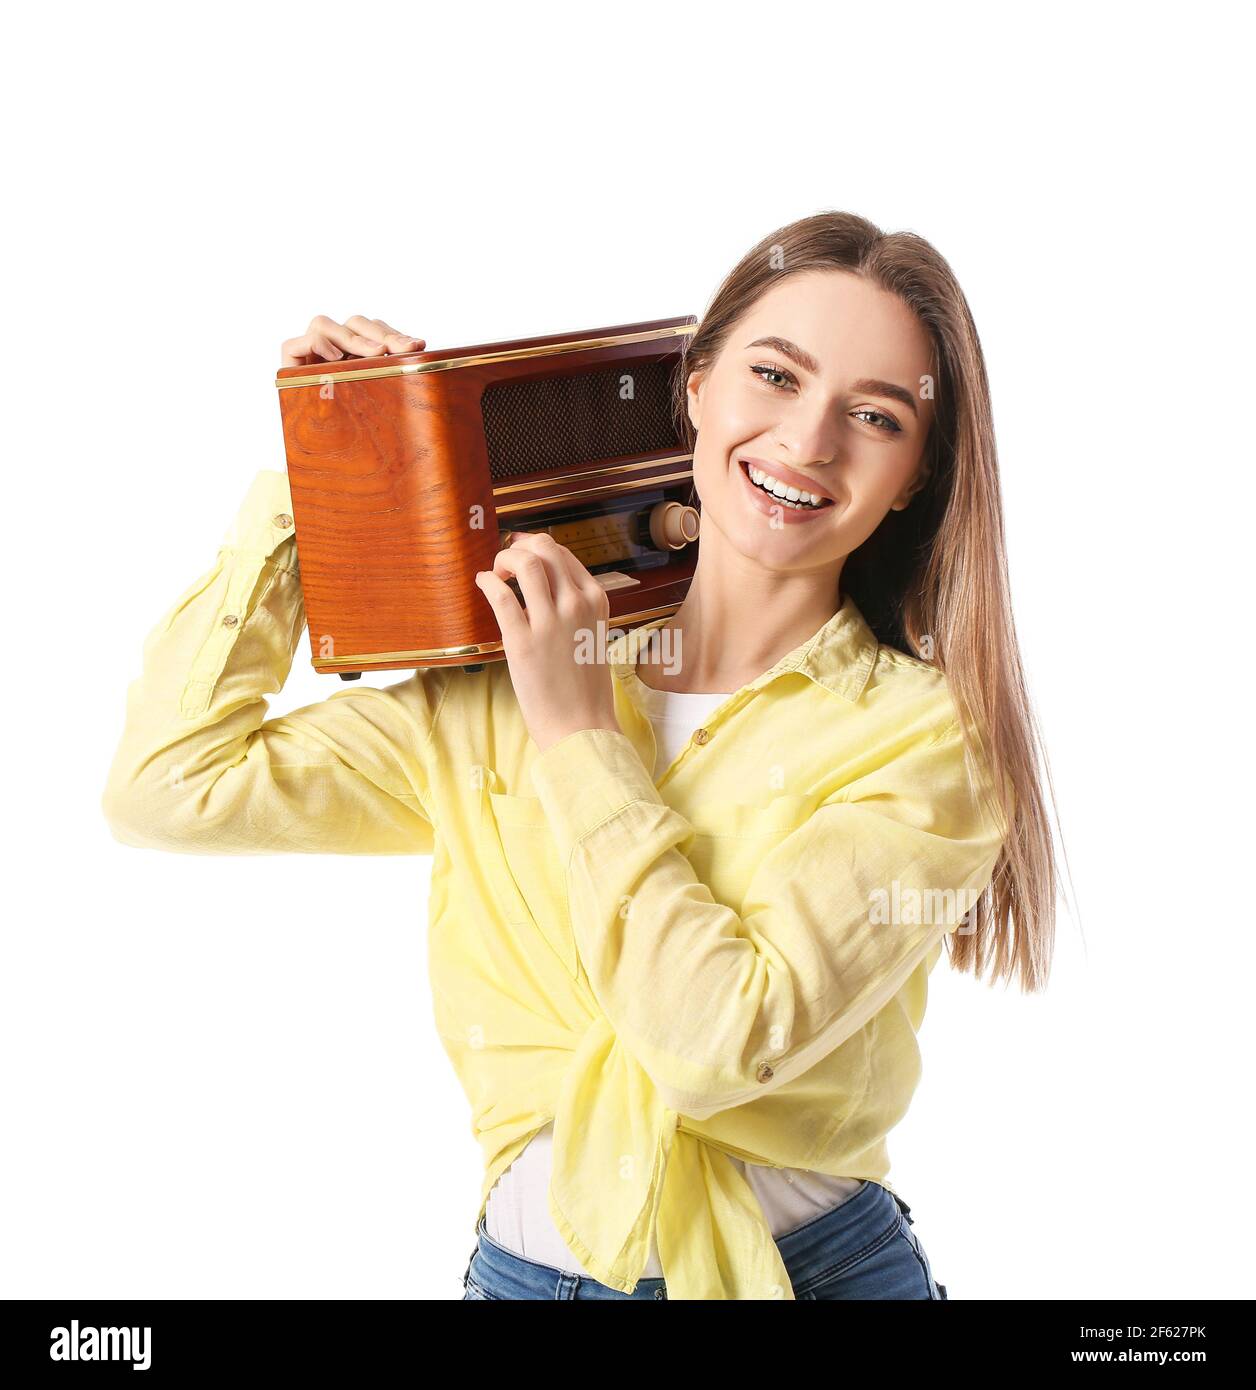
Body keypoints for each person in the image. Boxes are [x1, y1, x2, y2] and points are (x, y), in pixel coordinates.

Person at [101, 210, 1058, 1301]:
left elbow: (713, 1045)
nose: (807, 440)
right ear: (695, 386)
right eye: (774, 375)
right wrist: (318, 473)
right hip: (525, 1278)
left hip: (814, 1276)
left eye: (875, 416)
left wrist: (577, 736)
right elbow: (165, 785)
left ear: (915, 475)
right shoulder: (495, 684)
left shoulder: (927, 741)